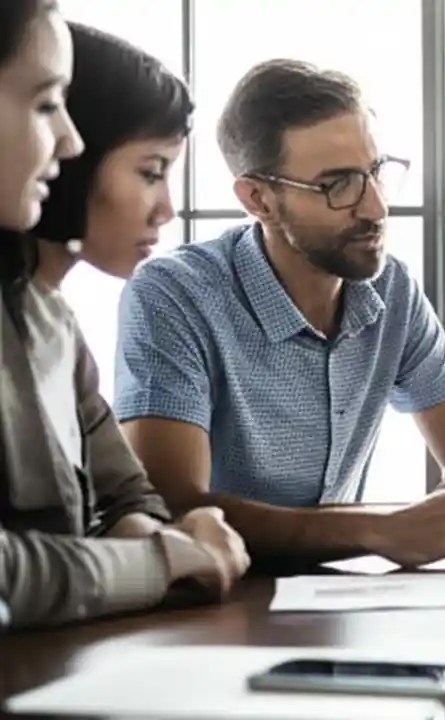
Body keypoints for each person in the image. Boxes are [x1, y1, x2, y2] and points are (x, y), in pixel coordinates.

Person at [114, 59, 445, 569]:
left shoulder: (391, 289)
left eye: (375, 172)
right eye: (338, 186)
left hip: (338, 606)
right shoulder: (175, 295)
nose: (375, 207)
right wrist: (382, 529)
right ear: (258, 198)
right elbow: (173, 507)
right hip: (213, 607)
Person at [1, 10, 249, 628]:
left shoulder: (56, 322)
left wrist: (166, 542)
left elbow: (126, 496)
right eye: (150, 172)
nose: (166, 208)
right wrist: (160, 562)